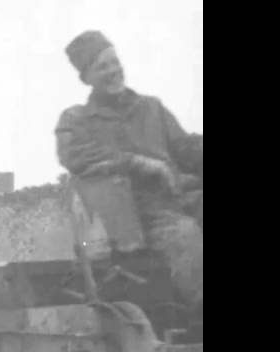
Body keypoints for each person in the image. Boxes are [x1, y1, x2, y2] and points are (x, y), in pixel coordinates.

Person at [55, 30, 203, 311]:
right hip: (135, 216)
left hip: (180, 199)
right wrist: (139, 163)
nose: (112, 71)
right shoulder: (77, 120)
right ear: (86, 78)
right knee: (185, 235)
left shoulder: (151, 108)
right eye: (102, 67)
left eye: (114, 62)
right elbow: (74, 155)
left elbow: (186, 150)